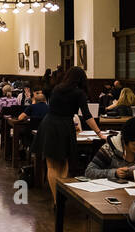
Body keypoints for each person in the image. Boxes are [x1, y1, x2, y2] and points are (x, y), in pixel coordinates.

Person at [37, 66, 107, 204]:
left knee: (51, 166)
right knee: (64, 162)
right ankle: (60, 198)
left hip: (49, 124)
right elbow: (87, 116)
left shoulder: (57, 88)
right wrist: (99, 133)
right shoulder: (79, 93)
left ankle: (56, 200)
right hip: (65, 126)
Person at [83, 116, 135, 181]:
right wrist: (114, 173)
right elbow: (89, 171)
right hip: (112, 191)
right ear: (125, 140)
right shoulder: (110, 148)